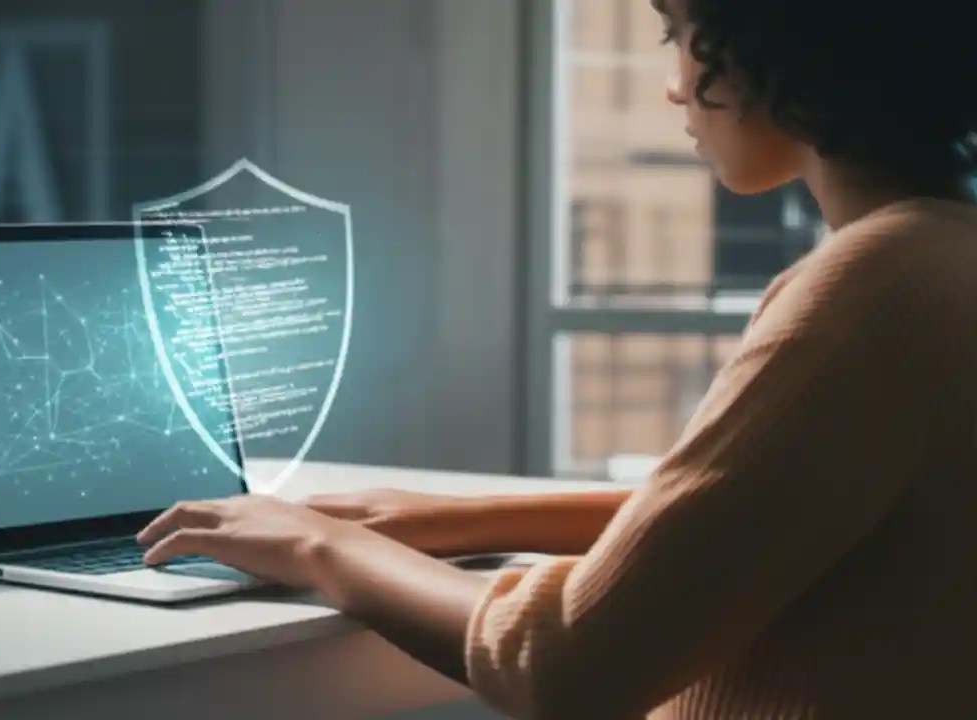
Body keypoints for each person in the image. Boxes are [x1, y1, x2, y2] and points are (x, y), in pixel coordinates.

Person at [139, 0, 977, 716]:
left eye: (677, 31)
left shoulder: (868, 291)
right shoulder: (943, 260)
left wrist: (315, 546)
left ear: (776, 41)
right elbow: (752, 519)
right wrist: (459, 521)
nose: (675, 83)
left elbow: (570, 661)